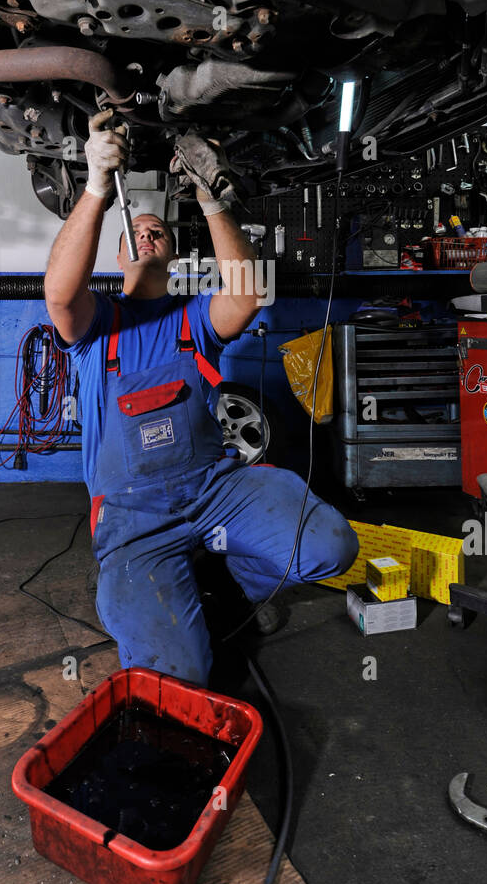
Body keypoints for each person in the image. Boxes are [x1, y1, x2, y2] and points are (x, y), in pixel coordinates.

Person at [44, 109, 359, 685]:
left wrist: (211, 198)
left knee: (329, 547)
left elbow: (245, 294)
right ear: (116, 256)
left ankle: (233, 583)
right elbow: (60, 294)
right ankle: (179, 587)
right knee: (178, 675)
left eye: (156, 230)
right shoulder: (97, 327)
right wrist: (93, 187)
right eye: (134, 231)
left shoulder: (194, 320)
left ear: (172, 250)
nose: (146, 231)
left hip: (216, 491)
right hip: (135, 517)